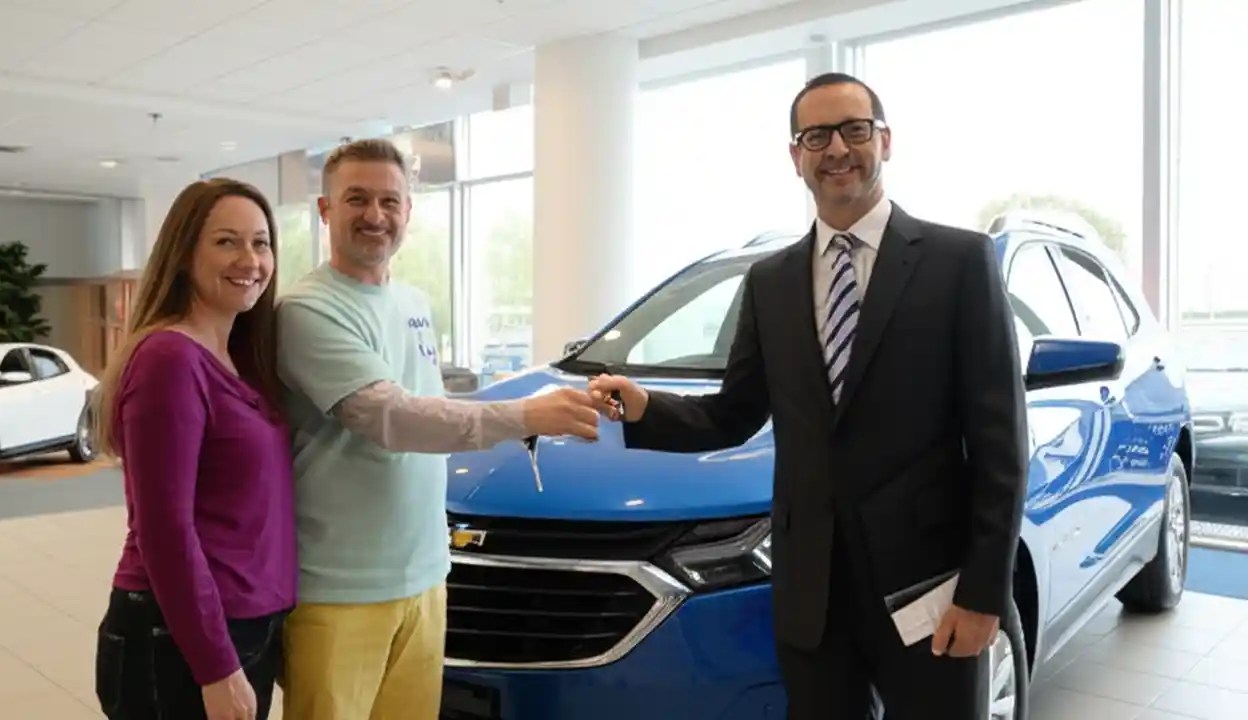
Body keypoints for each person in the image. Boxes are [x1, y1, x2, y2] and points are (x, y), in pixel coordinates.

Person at [589, 72, 1027, 719]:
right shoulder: (771, 281)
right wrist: (643, 406)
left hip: (928, 588)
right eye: (815, 136)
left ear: (885, 140)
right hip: (810, 597)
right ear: (796, 156)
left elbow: (1001, 446)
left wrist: (985, 593)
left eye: (853, 130)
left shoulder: (958, 261)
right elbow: (732, 413)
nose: (836, 150)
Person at [275, 138, 601, 720]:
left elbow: (432, 407)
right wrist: (525, 414)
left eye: (389, 201)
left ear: (408, 210)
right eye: (356, 199)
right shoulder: (307, 310)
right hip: (341, 589)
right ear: (325, 211)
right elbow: (389, 417)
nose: (375, 216)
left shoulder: (414, 301)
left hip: (426, 576)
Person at [92, 178, 296, 720]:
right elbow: (164, 529)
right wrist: (216, 667)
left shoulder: (236, 358)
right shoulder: (170, 360)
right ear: (184, 254)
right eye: (227, 241)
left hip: (240, 626)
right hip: (181, 637)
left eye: (261, 242)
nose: (249, 259)